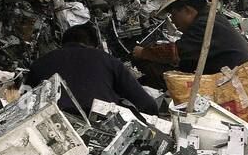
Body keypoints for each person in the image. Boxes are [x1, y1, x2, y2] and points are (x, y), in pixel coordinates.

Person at [26, 24, 161, 118]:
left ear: (63, 44)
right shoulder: (108, 60)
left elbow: (21, 103)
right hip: (101, 123)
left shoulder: (41, 62)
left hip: (52, 123)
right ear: (95, 45)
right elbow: (147, 104)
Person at [131, 0, 248, 85]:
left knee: (155, 69)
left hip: (232, 83)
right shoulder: (211, 17)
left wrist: (142, 52)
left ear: (187, 11)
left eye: (174, 15)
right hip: (233, 76)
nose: (173, 20)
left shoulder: (205, 23)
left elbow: (175, 53)